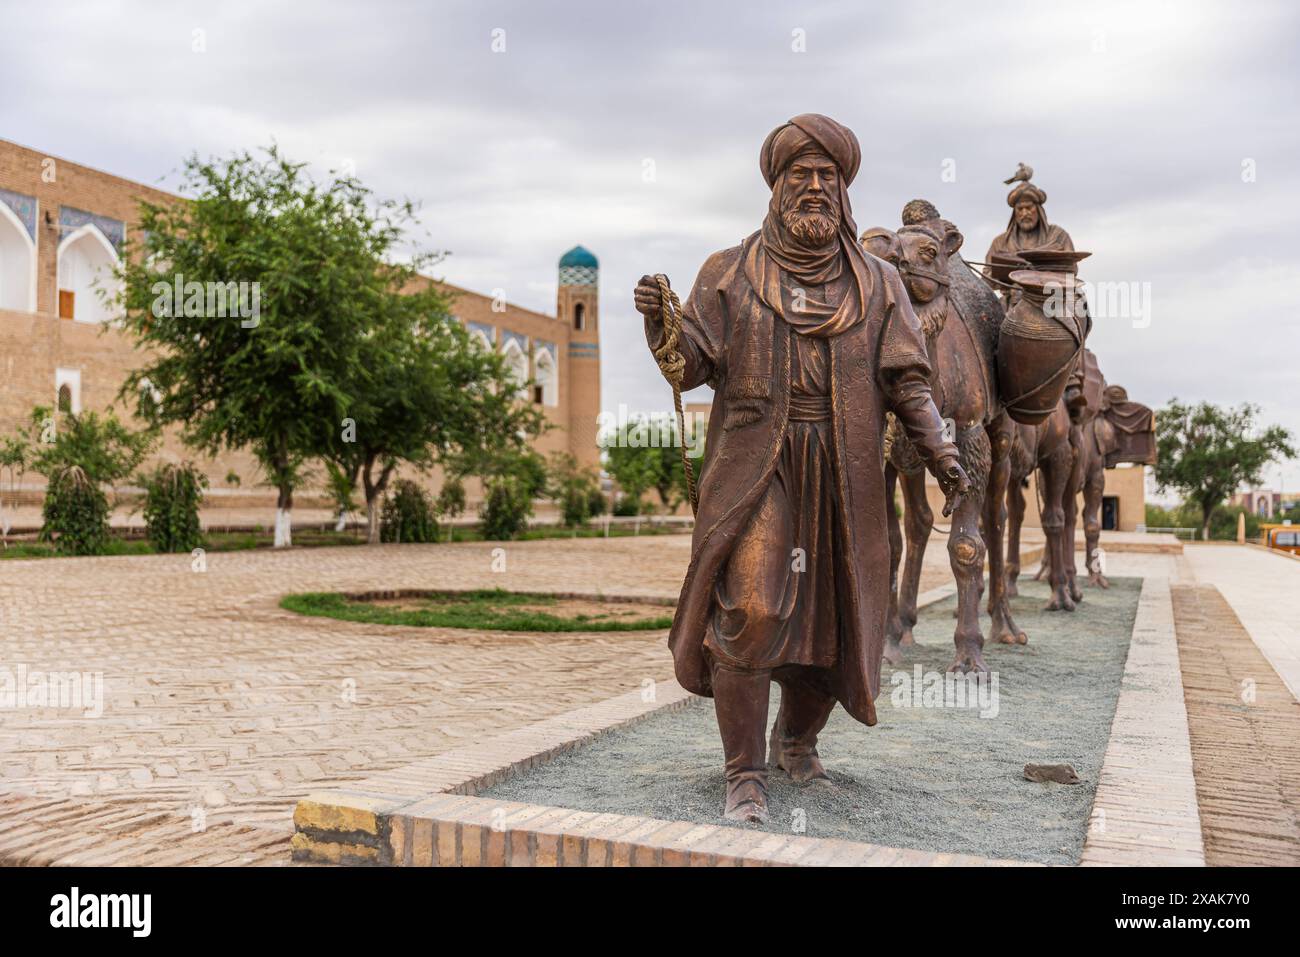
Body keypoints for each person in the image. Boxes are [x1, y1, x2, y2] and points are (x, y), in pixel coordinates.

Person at [633, 114, 969, 823]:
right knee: (753, 605)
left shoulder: (878, 283)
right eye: (800, 175)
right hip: (759, 464)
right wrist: (662, 325)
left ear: (843, 193)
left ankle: (797, 739)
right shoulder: (728, 271)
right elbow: (690, 362)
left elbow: (909, 381)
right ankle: (743, 772)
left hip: (845, 469)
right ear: (777, 187)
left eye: (827, 177)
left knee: (835, 619)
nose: (814, 187)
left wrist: (941, 450)